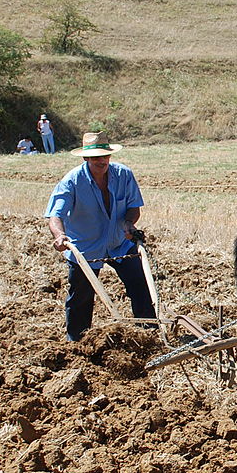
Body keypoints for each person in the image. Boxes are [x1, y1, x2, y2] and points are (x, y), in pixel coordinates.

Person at [45, 131, 156, 341]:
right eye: (96, 157)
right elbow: (55, 215)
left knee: (141, 287)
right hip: (86, 248)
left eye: (104, 156)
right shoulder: (72, 181)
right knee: (81, 297)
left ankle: (148, 334)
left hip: (120, 243)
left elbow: (133, 207)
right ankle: (77, 343)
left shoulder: (124, 175)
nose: (101, 161)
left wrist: (128, 224)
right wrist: (60, 236)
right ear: (86, 158)